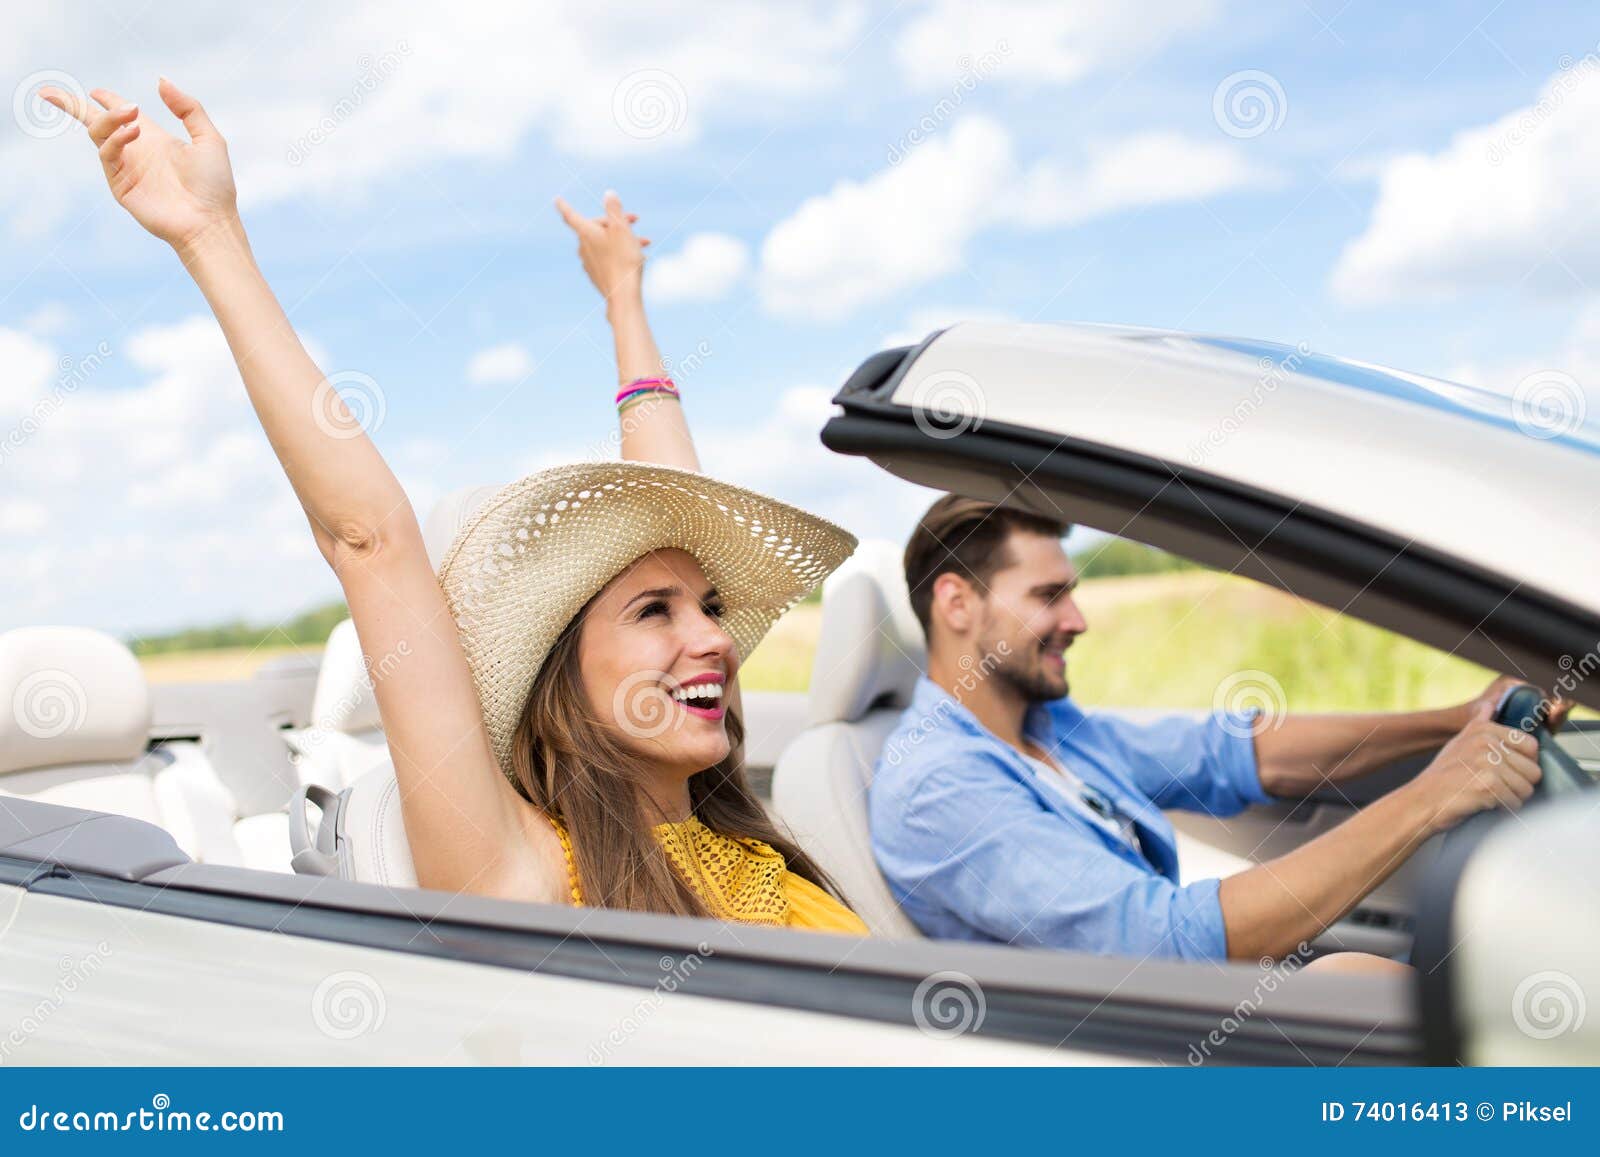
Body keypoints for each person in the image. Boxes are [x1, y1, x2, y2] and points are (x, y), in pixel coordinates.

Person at [42, 79, 866, 935]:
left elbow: (678, 494)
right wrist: (211, 237)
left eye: (710, 606)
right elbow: (372, 540)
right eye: (654, 611)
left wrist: (624, 298)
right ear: (561, 674)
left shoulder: (746, 847)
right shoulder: (528, 872)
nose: (713, 639)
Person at [870, 495, 1567, 964]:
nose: (1078, 620)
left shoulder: (1045, 728)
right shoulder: (940, 783)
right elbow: (1165, 942)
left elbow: (1229, 753)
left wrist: (1456, 719)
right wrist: (1430, 797)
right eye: (1049, 596)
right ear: (957, 603)